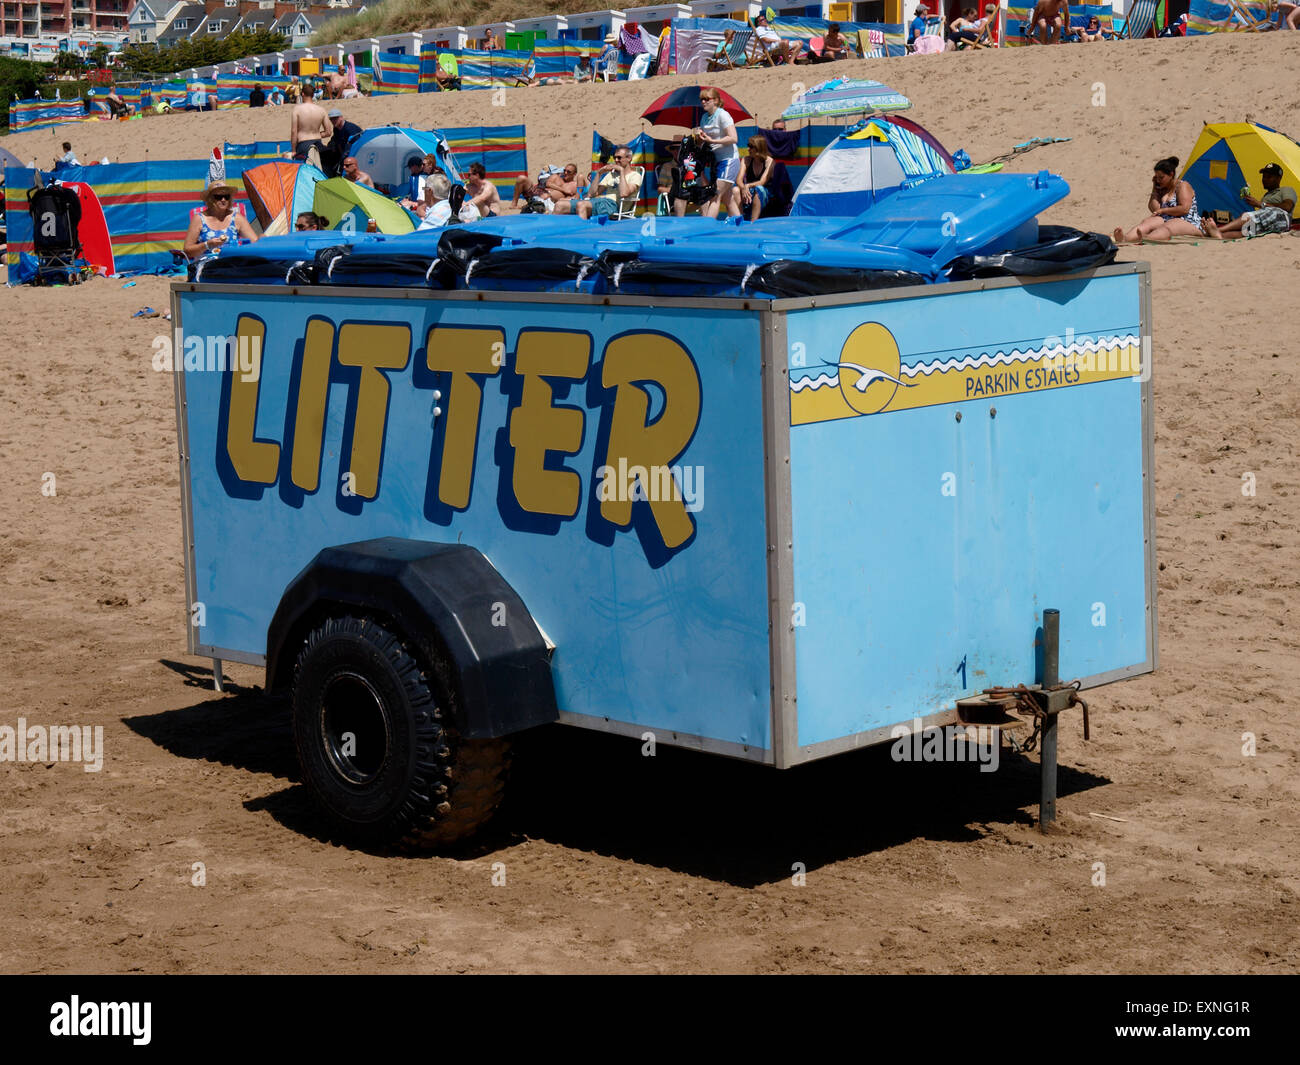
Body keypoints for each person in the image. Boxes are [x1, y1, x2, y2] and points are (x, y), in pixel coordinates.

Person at [1113, 156, 1204, 243]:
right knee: (1147, 222)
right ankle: (1126, 238)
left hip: (1188, 221)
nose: (1158, 180)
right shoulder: (1163, 189)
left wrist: (1164, 210)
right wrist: (1154, 188)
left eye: (1161, 177)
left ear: (1171, 174)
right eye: (1156, 177)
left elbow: (1184, 209)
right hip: (1167, 218)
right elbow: (1155, 209)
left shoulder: (1182, 185)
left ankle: (1148, 237)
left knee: (1169, 226)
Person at [1203, 163, 1296, 239]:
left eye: (1269, 177)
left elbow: (1287, 206)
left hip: (1281, 217)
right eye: (1264, 177)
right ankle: (1219, 235)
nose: (1264, 179)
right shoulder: (1266, 197)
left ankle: (1219, 230)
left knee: (1247, 216)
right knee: (1245, 230)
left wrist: (1260, 204)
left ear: (1279, 178)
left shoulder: (1286, 190)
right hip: (1269, 220)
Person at [695, 87, 741, 219]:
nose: (703, 102)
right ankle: (739, 225)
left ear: (715, 100)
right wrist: (701, 138)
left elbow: (733, 138)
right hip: (717, 161)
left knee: (715, 195)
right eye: (701, 99)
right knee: (728, 199)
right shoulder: (704, 117)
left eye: (707, 99)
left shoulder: (723, 115)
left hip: (729, 160)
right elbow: (707, 141)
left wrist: (712, 140)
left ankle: (708, 226)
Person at [184, 179, 258, 260]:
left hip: (231, 264)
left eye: (226, 196)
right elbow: (188, 251)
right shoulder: (199, 219)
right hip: (207, 266)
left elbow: (255, 243)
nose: (223, 200)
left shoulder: (237, 218)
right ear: (210, 199)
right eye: (218, 197)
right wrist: (207, 245)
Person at [576, 145, 642, 219]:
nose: (616, 160)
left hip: (614, 206)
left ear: (629, 158)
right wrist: (599, 173)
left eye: (619, 157)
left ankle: (583, 230)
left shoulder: (635, 176)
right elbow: (591, 194)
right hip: (603, 202)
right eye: (614, 158)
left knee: (581, 205)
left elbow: (624, 193)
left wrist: (621, 171)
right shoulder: (611, 175)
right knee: (562, 204)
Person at [291, 85, 340, 176]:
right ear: (313, 95)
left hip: (303, 144)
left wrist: (293, 150)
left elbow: (294, 131)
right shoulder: (321, 110)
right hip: (318, 144)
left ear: (302, 94)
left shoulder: (297, 109)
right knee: (317, 172)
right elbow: (328, 132)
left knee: (304, 173)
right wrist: (316, 134)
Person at [734, 135, 776, 221]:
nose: (748, 149)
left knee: (759, 189)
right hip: (749, 190)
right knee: (735, 190)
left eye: (751, 146)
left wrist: (747, 186)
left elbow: (762, 182)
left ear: (758, 148)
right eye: (748, 146)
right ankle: (740, 219)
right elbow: (738, 180)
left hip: (764, 192)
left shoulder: (769, 161)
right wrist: (744, 188)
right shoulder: (746, 159)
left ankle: (753, 222)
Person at [513, 163, 579, 211]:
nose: (565, 173)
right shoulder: (556, 177)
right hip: (537, 192)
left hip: (546, 201)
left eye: (568, 172)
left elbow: (574, 199)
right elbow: (548, 184)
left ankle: (529, 206)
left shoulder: (574, 185)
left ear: (574, 174)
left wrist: (558, 198)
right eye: (564, 170)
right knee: (521, 178)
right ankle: (514, 205)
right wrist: (564, 190)